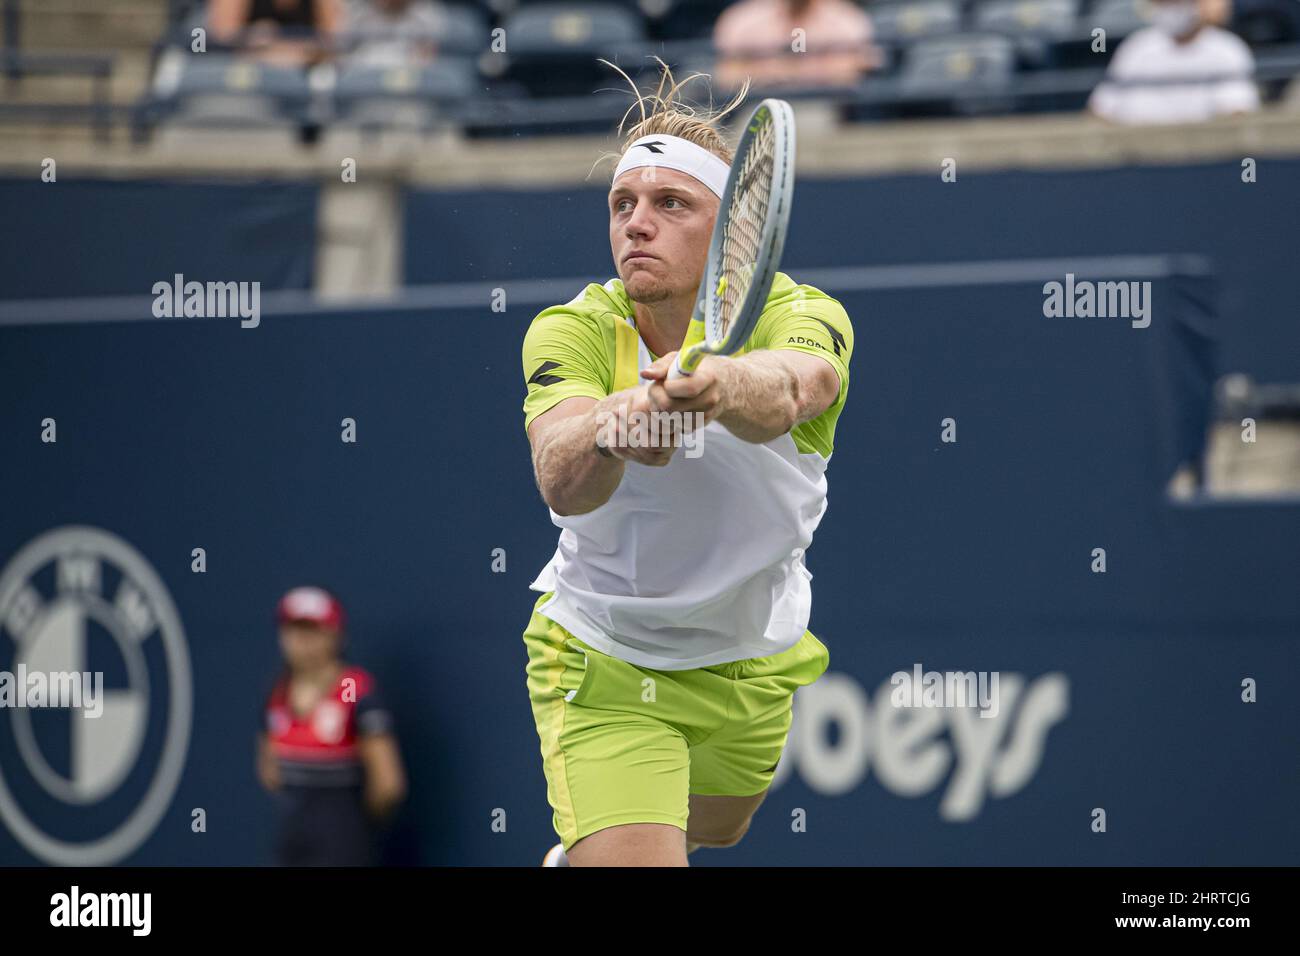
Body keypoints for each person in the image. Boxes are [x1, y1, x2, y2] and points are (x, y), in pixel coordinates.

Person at [520, 60, 854, 867]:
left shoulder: (801, 313)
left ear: (734, 229)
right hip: (606, 655)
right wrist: (612, 430)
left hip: (753, 653)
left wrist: (710, 384)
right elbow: (559, 469)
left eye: (671, 204)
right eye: (623, 205)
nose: (638, 223)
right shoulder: (571, 329)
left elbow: (794, 387)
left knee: (718, 827)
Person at [257, 586, 407, 865]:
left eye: (313, 630)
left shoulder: (355, 690)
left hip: (343, 844)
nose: (303, 640)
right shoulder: (276, 692)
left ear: (336, 634)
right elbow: (270, 771)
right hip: (292, 841)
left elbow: (388, 785)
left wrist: (352, 827)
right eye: (294, 629)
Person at [1088, 0, 1260, 124]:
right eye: (1163, 2)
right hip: (1136, 161)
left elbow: (1238, 113)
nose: (1171, 7)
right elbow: (1100, 110)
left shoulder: (1227, 49)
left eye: (1177, 2)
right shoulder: (1136, 47)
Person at [713, 0, 880, 91]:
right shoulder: (743, 19)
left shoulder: (846, 19)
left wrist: (797, 74)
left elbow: (851, 73)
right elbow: (728, 75)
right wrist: (773, 75)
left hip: (820, 104)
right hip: (758, 102)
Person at [208, 0, 342, 67]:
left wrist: (273, 46)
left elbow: (334, 41)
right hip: (251, 82)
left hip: (306, 81)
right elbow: (223, 39)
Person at [341, 0, 443, 69]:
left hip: (410, 86)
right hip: (364, 85)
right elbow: (345, 56)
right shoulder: (358, 14)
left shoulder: (426, 16)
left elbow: (428, 60)